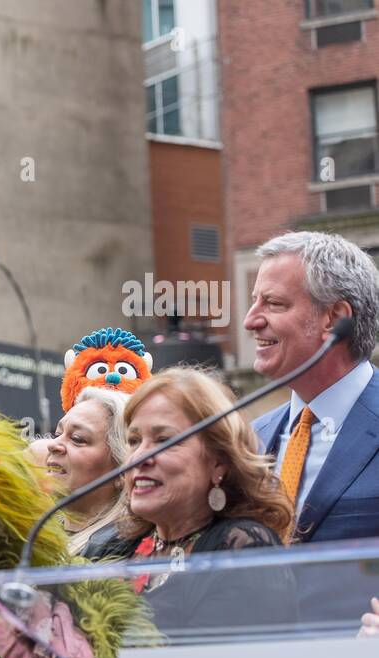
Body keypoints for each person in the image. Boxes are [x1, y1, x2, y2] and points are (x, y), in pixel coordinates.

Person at [87, 367, 297, 637]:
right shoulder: (111, 545)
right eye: (134, 440)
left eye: (164, 440)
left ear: (218, 461)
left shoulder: (242, 549)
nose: (140, 457)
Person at [248, 231, 379, 544]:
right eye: (255, 302)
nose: (250, 321)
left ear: (334, 319)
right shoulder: (252, 439)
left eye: (274, 303)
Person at [45, 387, 130, 556]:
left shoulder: (122, 555)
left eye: (77, 439)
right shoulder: (30, 533)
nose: (53, 444)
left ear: (123, 469)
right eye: (58, 433)